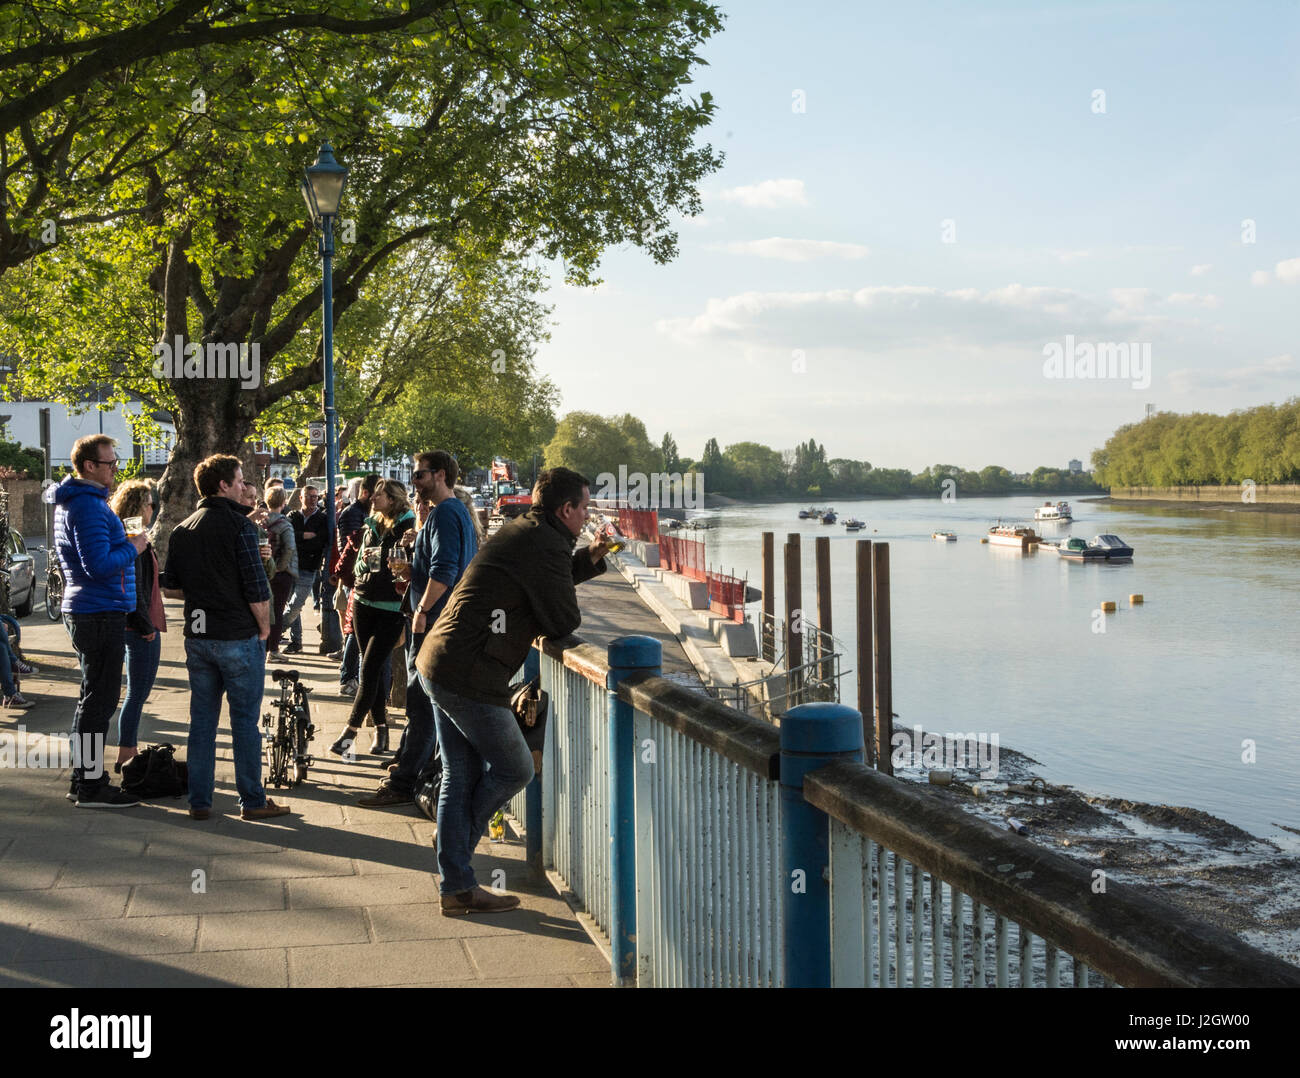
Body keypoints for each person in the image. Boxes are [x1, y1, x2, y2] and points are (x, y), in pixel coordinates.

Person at [416, 467, 613, 914]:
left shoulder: (529, 531)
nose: (587, 516)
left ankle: (456, 884)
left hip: (441, 661)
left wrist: (592, 555)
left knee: (460, 776)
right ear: (566, 509)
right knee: (516, 769)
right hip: (469, 675)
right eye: (584, 507)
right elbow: (563, 620)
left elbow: (548, 579)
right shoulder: (543, 543)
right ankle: (458, 845)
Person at [160, 454, 290, 821]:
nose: (243, 485)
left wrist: (207, 592)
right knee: (244, 722)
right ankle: (252, 800)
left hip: (199, 635)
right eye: (239, 480)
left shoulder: (183, 529)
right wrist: (265, 628)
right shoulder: (241, 528)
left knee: (201, 722)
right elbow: (255, 589)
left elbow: (170, 587)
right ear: (223, 485)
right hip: (237, 636)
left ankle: (199, 801)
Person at [359, 451, 477, 808]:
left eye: (418, 476)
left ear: (440, 475)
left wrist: (422, 609)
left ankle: (405, 782)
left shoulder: (445, 513)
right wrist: (413, 574)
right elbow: (441, 569)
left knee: (422, 702)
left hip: (434, 622)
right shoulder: (449, 514)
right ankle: (414, 770)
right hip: (442, 619)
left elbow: (445, 570)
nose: (414, 483)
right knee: (424, 701)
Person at [54, 434, 149, 808]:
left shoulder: (82, 503)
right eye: (110, 463)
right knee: (99, 702)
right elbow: (98, 565)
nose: (115, 469)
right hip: (97, 611)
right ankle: (91, 785)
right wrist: (135, 546)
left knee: (91, 699)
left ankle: (84, 779)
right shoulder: (89, 508)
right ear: (89, 466)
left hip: (91, 609)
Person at [329, 479, 414, 757]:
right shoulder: (372, 522)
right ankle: (381, 729)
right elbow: (359, 565)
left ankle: (349, 733)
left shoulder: (408, 525)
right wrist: (365, 559)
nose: (373, 499)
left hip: (391, 606)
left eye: (379, 495)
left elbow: (412, 562)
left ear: (392, 499)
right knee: (372, 668)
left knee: (369, 668)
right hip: (364, 600)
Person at [108, 478, 167, 772]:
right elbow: (135, 589)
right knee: (136, 693)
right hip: (140, 627)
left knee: (135, 692)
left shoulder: (134, 534)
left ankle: (127, 749)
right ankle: (126, 753)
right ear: (137, 505)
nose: (153, 508)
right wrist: (145, 626)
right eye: (149, 503)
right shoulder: (134, 537)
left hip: (138, 623)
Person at [330, 473, 379, 692]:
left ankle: (349, 676)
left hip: (361, 577)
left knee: (354, 629)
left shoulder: (363, 512)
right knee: (353, 630)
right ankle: (348, 677)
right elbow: (348, 548)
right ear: (367, 493)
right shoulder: (353, 513)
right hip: (356, 578)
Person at [285, 484, 326, 654]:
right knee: (290, 605)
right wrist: (303, 536)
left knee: (296, 605)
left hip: (309, 568)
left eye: (315, 496)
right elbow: (287, 538)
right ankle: (296, 641)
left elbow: (318, 543)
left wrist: (298, 539)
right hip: (289, 566)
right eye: (308, 496)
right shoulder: (293, 516)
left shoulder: (323, 519)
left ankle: (273, 631)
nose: (312, 499)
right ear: (300, 498)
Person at [264, 486, 298, 661]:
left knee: (264, 610)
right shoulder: (284, 524)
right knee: (277, 611)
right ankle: (274, 649)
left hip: (263, 571)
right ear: (283, 502)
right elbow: (290, 548)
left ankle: (263, 645)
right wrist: (280, 567)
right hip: (281, 574)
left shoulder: (261, 522)